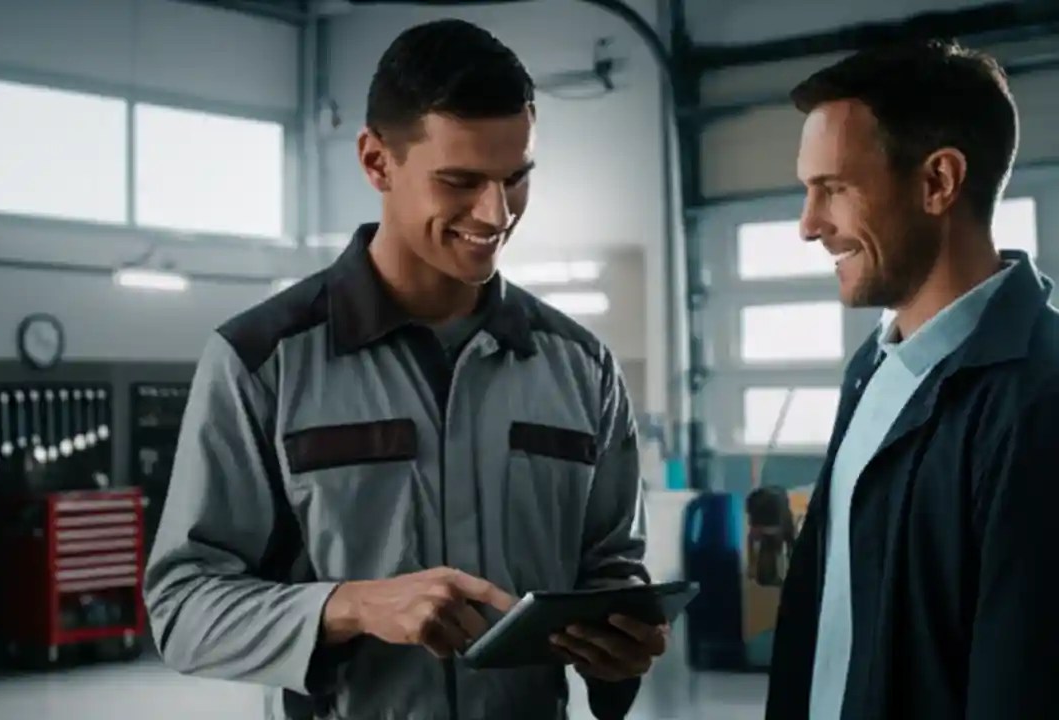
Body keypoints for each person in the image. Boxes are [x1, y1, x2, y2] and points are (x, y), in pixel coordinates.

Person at [143, 18, 667, 720]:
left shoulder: (583, 369)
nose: (497, 213)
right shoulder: (263, 364)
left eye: (516, 178)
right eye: (460, 181)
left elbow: (612, 567)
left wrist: (621, 637)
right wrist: (351, 605)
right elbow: (183, 609)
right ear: (376, 161)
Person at [766, 39, 1059, 720]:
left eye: (834, 188)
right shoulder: (872, 369)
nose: (809, 225)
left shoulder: (1039, 397)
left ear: (938, 182)